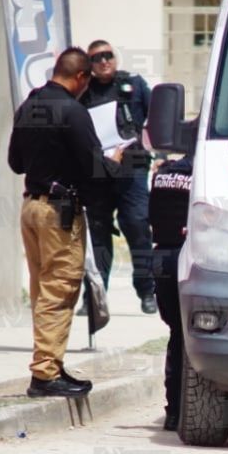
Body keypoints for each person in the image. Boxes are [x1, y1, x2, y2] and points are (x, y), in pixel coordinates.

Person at [8, 47, 127, 397]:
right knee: (59, 291)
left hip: (31, 207)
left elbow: (16, 162)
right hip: (59, 212)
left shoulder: (29, 105)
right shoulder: (74, 111)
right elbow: (95, 168)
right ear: (80, 77)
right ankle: (45, 374)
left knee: (42, 289)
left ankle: (51, 364)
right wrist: (116, 162)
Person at [78, 40, 158, 314]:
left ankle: (148, 292)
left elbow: (157, 118)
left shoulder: (133, 85)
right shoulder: (82, 92)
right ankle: (95, 298)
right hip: (98, 170)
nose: (103, 61)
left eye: (107, 55)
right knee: (98, 234)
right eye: (96, 58)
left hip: (132, 166)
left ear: (115, 58)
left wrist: (159, 154)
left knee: (137, 225)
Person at [144, 150, 194, 431]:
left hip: (162, 257)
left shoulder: (163, 174)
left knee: (177, 334)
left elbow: (150, 215)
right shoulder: (205, 174)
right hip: (188, 258)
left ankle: (174, 411)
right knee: (195, 336)